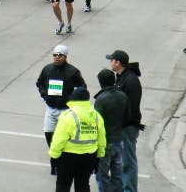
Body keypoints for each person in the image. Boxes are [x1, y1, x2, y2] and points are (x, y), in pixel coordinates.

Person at [36, 44, 86, 175]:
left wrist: (72, 101)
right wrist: (44, 96)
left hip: (66, 111)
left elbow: (82, 87)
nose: (57, 58)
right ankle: (56, 160)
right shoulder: (47, 69)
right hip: (51, 109)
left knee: (65, 137)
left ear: (65, 56)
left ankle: (60, 163)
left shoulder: (73, 72)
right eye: (55, 55)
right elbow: (39, 83)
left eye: (60, 55)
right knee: (49, 134)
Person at [48, 86, 106, 192]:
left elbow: (59, 140)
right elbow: (102, 139)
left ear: (73, 99)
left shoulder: (67, 116)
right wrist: (99, 156)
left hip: (68, 157)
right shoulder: (97, 116)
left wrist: (54, 156)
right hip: (89, 156)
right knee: (83, 185)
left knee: (63, 185)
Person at [107, 49, 143, 192]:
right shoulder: (122, 77)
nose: (110, 62)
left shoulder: (131, 80)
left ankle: (129, 189)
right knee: (123, 160)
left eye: (112, 60)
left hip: (128, 127)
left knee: (128, 160)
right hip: (123, 126)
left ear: (117, 62)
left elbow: (131, 107)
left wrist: (120, 123)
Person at [94, 68, 131, 192]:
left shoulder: (101, 99)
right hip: (118, 139)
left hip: (105, 142)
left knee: (102, 174)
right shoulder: (123, 96)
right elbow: (128, 117)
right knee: (117, 173)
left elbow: (97, 123)